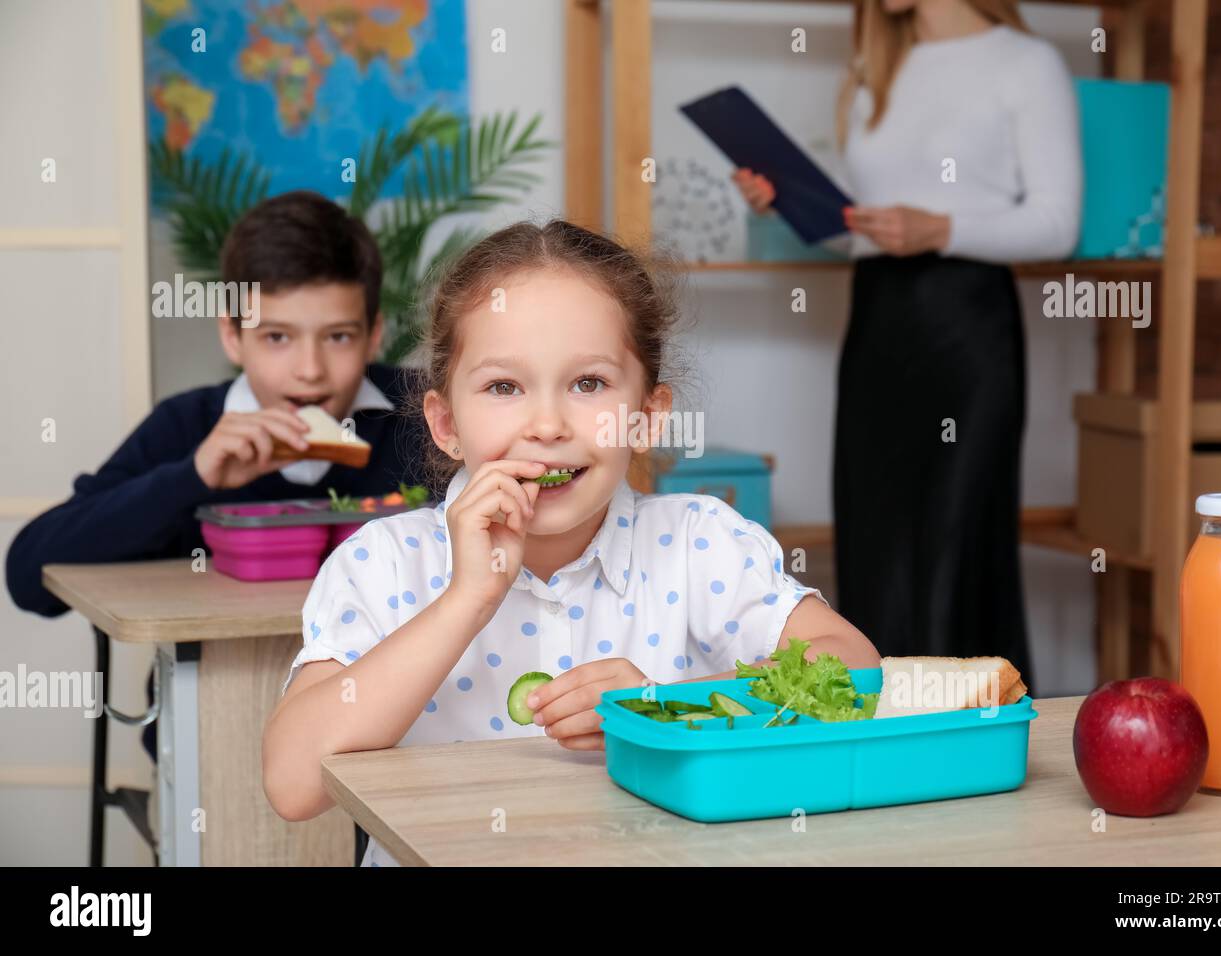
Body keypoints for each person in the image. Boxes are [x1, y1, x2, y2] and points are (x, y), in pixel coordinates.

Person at [262, 219, 882, 866]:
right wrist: (465, 601)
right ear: (446, 423)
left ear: (646, 416)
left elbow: (854, 669)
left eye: (589, 384)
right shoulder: (384, 563)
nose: (549, 426)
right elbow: (293, 782)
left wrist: (666, 711)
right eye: (504, 387)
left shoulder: (700, 543)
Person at [733, 0, 1082, 686]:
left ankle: (970, 733)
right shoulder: (875, 70)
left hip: (967, 330)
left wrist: (941, 229)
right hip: (878, 323)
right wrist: (789, 206)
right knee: (875, 539)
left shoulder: (1026, 64)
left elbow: (1056, 223)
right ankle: (880, 731)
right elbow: (864, 231)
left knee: (957, 540)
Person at [6, 190, 424, 759]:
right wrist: (194, 476)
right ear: (232, 335)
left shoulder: (427, 415)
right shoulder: (189, 427)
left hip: (404, 739)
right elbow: (29, 575)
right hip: (213, 744)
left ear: (374, 333)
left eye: (338, 337)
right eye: (277, 337)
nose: (310, 370)